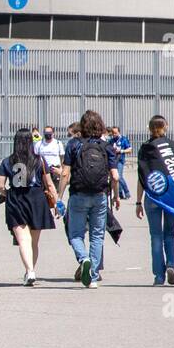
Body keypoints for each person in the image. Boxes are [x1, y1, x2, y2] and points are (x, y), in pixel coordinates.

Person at [57, 109, 119, 289]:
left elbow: (65, 173)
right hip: (100, 196)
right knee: (97, 235)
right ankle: (93, 276)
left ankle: (83, 258)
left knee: (75, 233)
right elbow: (115, 176)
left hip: (78, 194)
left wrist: (59, 197)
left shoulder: (73, 145)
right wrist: (115, 196)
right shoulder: (105, 146)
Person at [0, 128, 56, 286]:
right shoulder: (39, 160)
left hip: (16, 198)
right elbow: (49, 184)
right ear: (31, 141)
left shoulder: (7, 161)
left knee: (23, 239)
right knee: (34, 242)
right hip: (37, 199)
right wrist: (56, 202)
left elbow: (0, 186)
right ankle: (30, 270)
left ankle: (30, 271)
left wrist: (6, 193)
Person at [136, 115, 174, 287]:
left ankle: (159, 277)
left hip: (153, 196)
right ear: (166, 127)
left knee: (155, 236)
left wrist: (138, 202)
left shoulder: (146, 148)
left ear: (149, 129)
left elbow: (141, 177)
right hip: (171, 196)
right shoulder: (172, 147)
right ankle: (171, 265)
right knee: (170, 234)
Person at [109, 126, 132, 200]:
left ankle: (127, 192)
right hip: (113, 160)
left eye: (115, 133)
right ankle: (120, 193)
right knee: (114, 177)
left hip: (120, 160)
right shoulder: (111, 141)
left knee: (119, 176)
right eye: (113, 133)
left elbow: (129, 150)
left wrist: (121, 151)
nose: (114, 134)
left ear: (119, 132)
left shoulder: (123, 139)